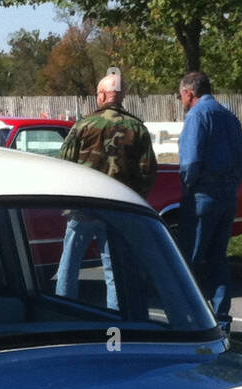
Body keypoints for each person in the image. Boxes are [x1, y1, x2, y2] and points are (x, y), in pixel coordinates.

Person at [54, 72, 157, 310]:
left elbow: (64, 163)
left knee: (69, 263)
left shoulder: (84, 125)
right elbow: (147, 171)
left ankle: (63, 311)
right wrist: (133, 201)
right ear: (122, 96)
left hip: (83, 206)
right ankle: (115, 317)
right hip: (117, 208)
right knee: (113, 269)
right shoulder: (137, 128)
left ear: (101, 95)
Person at [176, 70, 242, 336]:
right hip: (227, 197)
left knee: (191, 261)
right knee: (218, 260)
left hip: (202, 197)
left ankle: (191, 321)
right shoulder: (229, 116)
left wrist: (189, 185)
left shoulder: (197, 115)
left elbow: (191, 161)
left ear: (189, 93)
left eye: (181, 95)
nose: (181, 100)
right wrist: (229, 184)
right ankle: (221, 321)